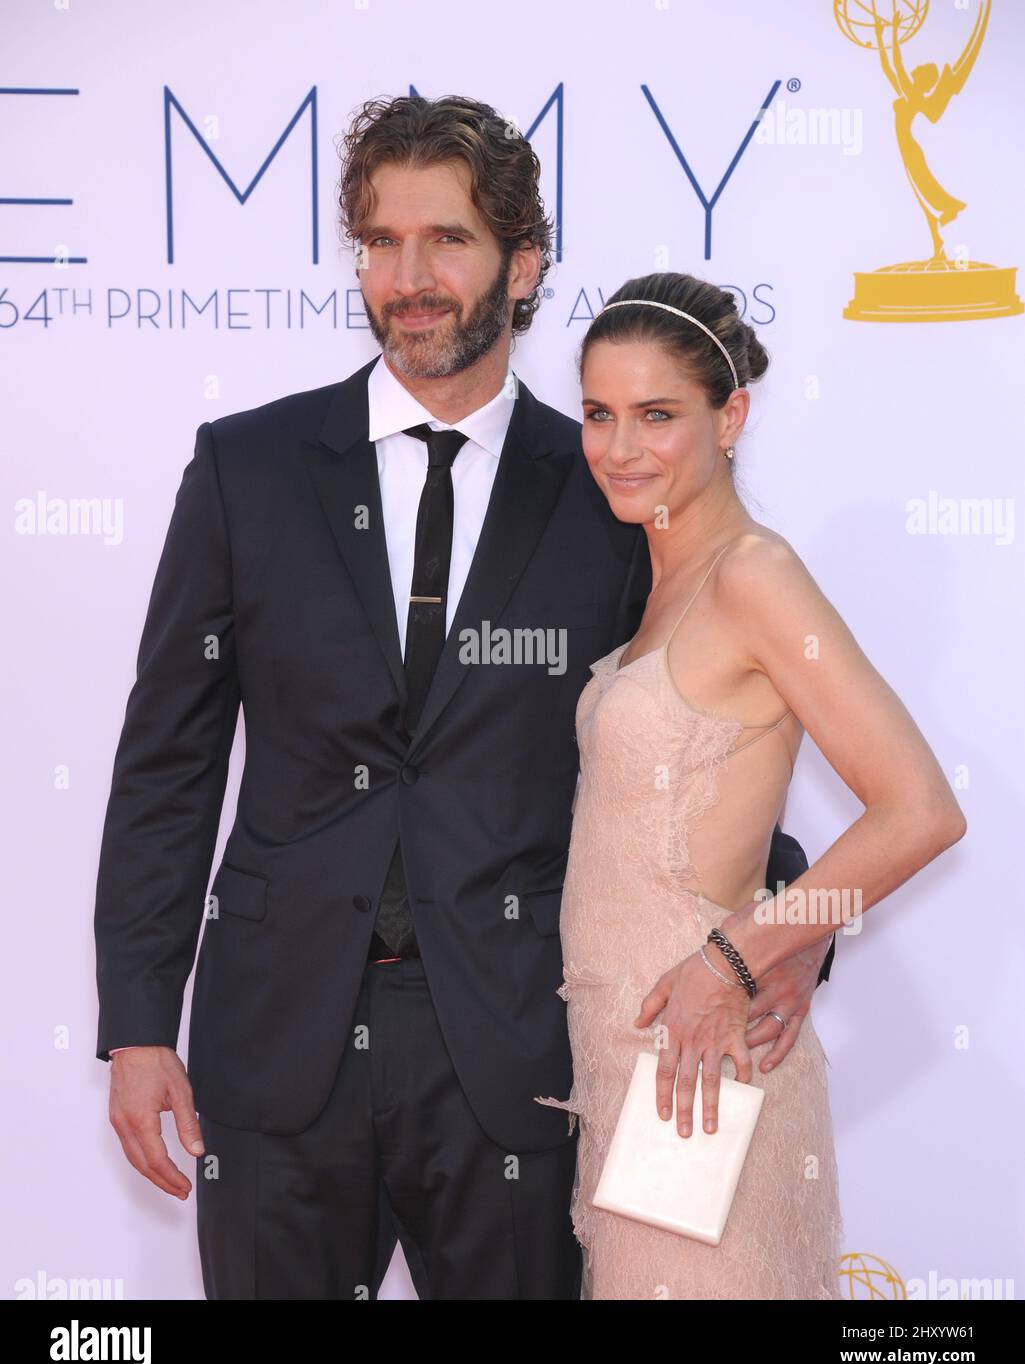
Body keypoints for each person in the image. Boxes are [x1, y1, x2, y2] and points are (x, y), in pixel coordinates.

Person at [94, 96, 833, 1301]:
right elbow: (165, 766)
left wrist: (794, 929)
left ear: (522, 264)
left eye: (445, 240)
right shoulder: (247, 467)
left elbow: (691, 750)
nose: (409, 276)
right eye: (380, 242)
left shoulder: (605, 491)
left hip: (520, 1046)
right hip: (277, 1046)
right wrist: (136, 1026)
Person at [535, 272, 967, 1299]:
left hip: (695, 1076)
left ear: (730, 416)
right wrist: (788, 930)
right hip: (634, 1067)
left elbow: (919, 809)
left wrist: (739, 951)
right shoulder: (667, 578)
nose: (618, 447)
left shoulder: (750, 575)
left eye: (656, 415)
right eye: (597, 413)